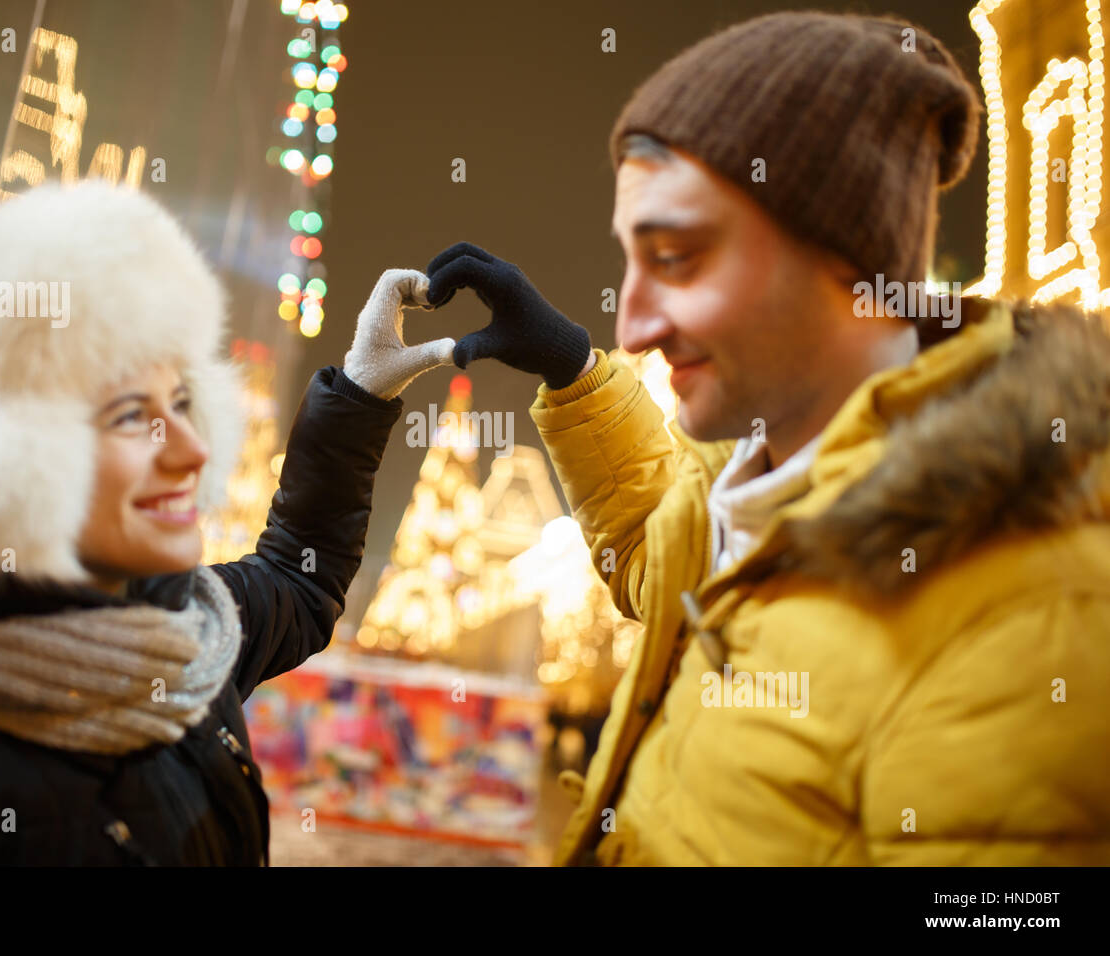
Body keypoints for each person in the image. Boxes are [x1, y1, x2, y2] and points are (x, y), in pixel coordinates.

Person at [424, 11, 1110, 865]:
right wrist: (572, 370)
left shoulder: (1025, 621)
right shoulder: (761, 468)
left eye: (677, 257)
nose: (631, 325)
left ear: (843, 258)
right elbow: (664, 554)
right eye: (630, 261)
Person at [0, 180, 454, 864]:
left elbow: (298, 577)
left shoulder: (183, 635)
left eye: (180, 403)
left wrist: (358, 395)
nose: (192, 449)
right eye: (128, 417)